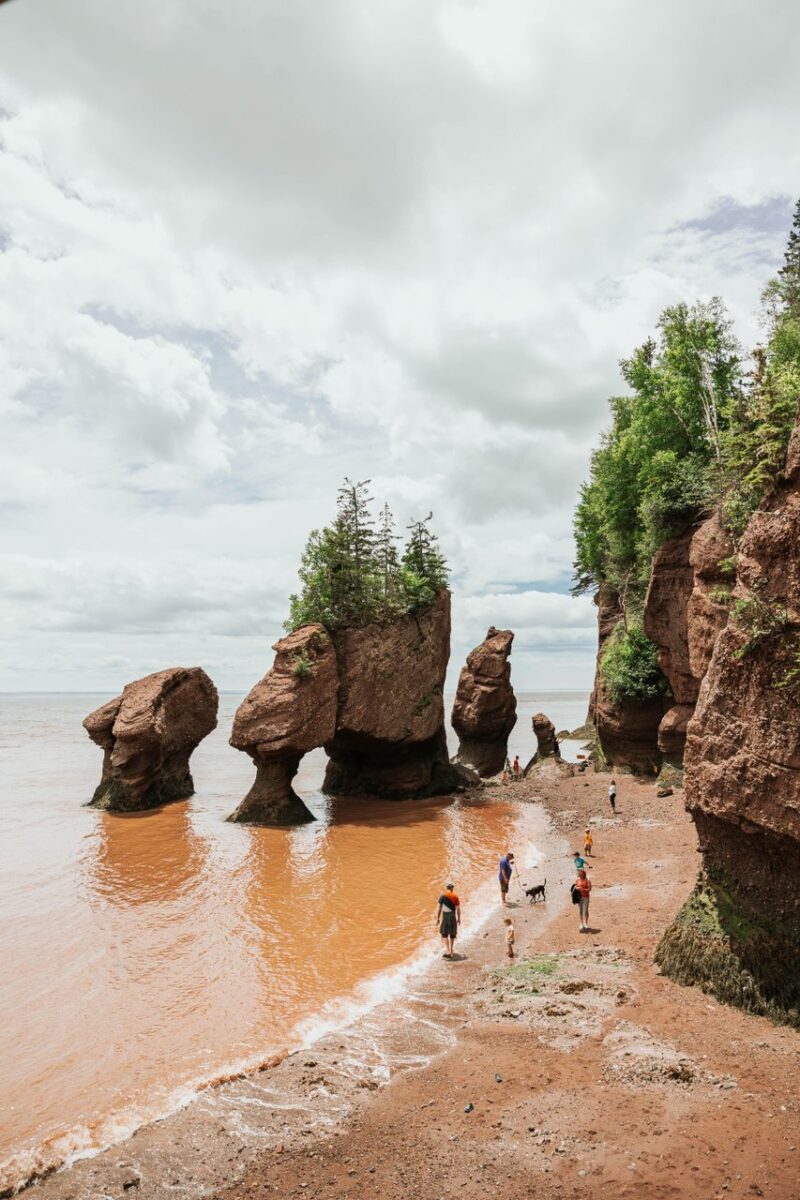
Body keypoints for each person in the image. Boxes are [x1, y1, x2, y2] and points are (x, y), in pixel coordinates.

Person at [436, 883, 461, 958]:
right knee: (452, 933)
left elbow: (439, 909)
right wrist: (459, 918)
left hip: (445, 916)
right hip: (453, 915)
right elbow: (458, 909)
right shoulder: (455, 896)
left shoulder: (442, 896)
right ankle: (452, 949)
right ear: (452, 888)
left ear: (446, 888)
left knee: (444, 933)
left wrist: (438, 918)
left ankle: (448, 951)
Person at [575, 867, 592, 932]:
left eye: (581, 873)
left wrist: (582, 889)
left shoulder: (588, 880)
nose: (580, 875)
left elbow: (589, 889)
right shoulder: (577, 880)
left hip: (586, 897)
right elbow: (576, 886)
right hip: (579, 897)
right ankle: (582, 923)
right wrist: (576, 888)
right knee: (580, 910)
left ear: (584, 874)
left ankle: (586, 923)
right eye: (579, 874)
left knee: (586, 910)